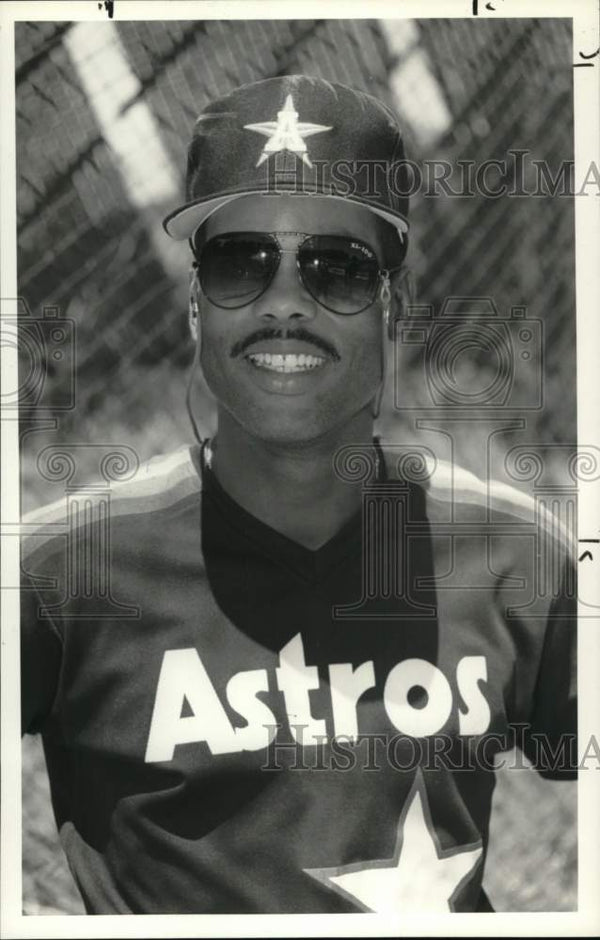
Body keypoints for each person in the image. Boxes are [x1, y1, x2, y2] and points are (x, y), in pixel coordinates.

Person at [21, 74, 576, 914]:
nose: (285, 302)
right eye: (240, 261)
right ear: (195, 311)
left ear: (397, 311)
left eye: (339, 269)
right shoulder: (63, 574)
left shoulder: (517, 558)